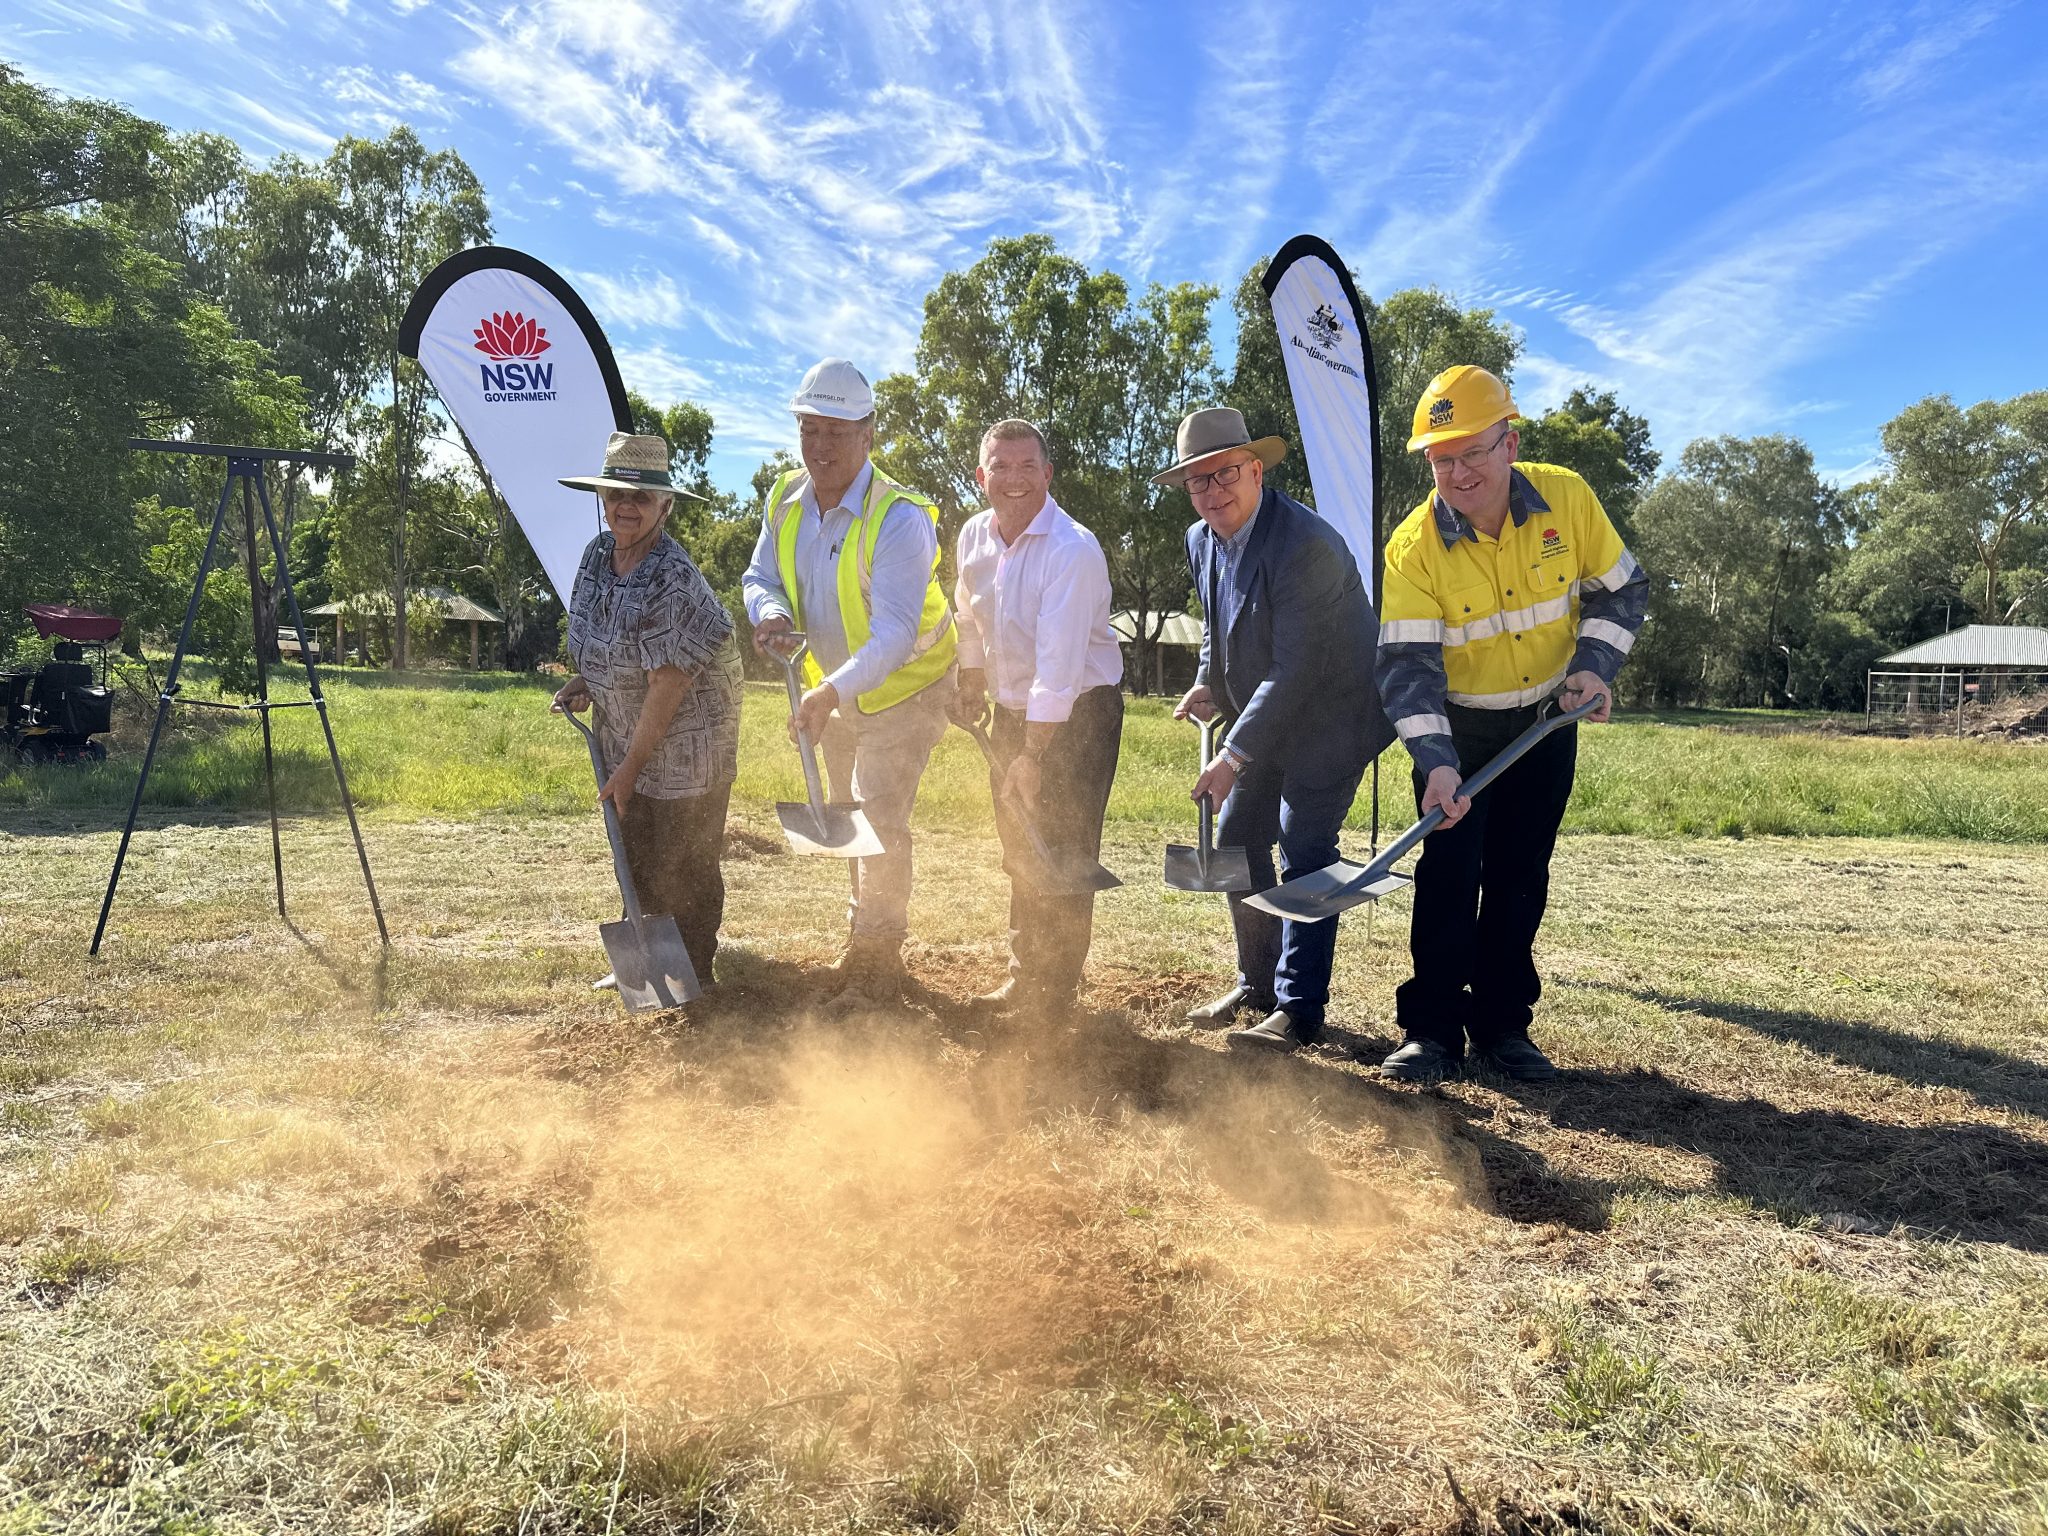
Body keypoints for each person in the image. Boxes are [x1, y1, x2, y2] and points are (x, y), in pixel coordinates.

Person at [1375, 366, 1648, 1085]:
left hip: (1546, 724)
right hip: (1458, 732)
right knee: (1447, 875)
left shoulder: (1567, 499)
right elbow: (1407, 667)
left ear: (1510, 444)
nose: (1458, 473)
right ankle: (1431, 1032)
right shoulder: (1412, 548)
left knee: (1519, 875)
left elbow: (1623, 590)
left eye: (1472, 451)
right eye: (1441, 459)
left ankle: (1503, 1027)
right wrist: (1435, 761)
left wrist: (1593, 667)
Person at [1165, 407, 1395, 1053]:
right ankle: (1257, 984)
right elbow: (1217, 625)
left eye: (1226, 473)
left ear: (1255, 470)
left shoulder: (1306, 544)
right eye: (1199, 480)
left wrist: (1233, 756)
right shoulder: (1200, 539)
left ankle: (1299, 1009)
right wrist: (1209, 680)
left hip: (1334, 714)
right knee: (1236, 839)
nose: (1214, 491)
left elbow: (1298, 668)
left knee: (1304, 845)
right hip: (1269, 713)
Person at [742, 358, 957, 1008]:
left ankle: (876, 967)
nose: (821, 446)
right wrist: (769, 612)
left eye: (836, 431)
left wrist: (829, 692)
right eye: (809, 430)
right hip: (834, 689)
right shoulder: (785, 499)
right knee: (843, 812)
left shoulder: (898, 518)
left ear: (867, 433)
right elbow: (759, 576)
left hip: (907, 686)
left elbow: (893, 633)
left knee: (877, 815)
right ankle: (860, 940)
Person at [552, 430, 745, 987]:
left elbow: (668, 681)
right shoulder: (597, 556)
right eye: (616, 494)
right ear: (602, 497)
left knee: (685, 856)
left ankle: (694, 973)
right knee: (634, 845)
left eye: (641, 497)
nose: (626, 506)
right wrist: (589, 680)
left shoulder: (672, 578)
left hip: (692, 738)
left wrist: (630, 768)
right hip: (627, 729)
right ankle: (644, 963)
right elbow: (609, 639)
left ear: (665, 506)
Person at [949, 419, 1125, 1016]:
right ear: (982, 476)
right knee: (1021, 844)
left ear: (1047, 475)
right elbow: (967, 616)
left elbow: (1058, 670)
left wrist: (1031, 756)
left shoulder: (1071, 550)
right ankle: (1025, 975)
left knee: (1064, 853)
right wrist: (972, 677)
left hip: (1079, 716)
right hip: (1013, 711)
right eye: (1001, 466)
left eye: (1028, 466)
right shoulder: (973, 537)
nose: (1014, 478)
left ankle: (1054, 995)